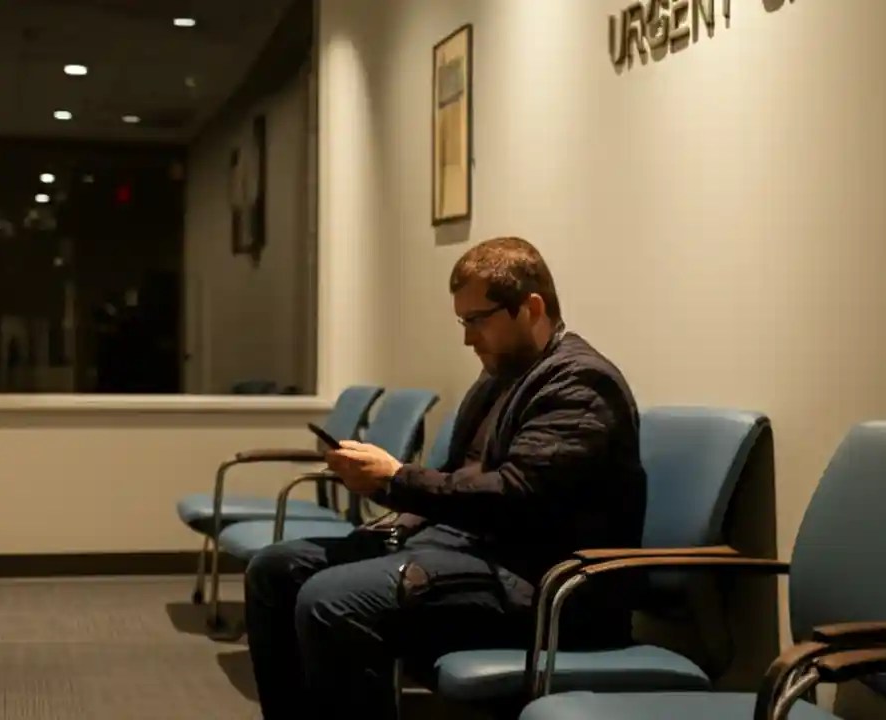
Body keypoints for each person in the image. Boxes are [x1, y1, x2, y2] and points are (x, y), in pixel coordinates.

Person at [243, 236, 647, 720]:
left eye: (478, 320)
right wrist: (397, 512)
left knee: (332, 602)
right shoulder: (503, 376)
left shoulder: (579, 386)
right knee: (275, 570)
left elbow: (514, 497)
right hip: (471, 555)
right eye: (463, 321)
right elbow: (463, 476)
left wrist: (395, 479)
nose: (467, 338)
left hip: (542, 584)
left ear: (531, 307)